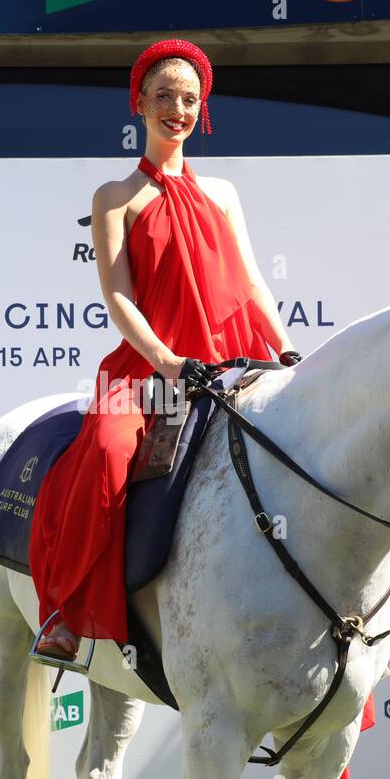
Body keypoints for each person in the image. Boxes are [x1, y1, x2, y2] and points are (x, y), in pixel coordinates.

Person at [28, 38, 299, 661]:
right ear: (139, 104)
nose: (176, 108)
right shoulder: (114, 197)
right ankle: (64, 615)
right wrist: (170, 363)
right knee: (103, 449)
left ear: (201, 109)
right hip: (151, 370)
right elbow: (118, 299)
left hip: (233, 360)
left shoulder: (224, 194)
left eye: (189, 99)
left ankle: (358, 630)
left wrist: (285, 352)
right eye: (164, 97)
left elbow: (253, 282)